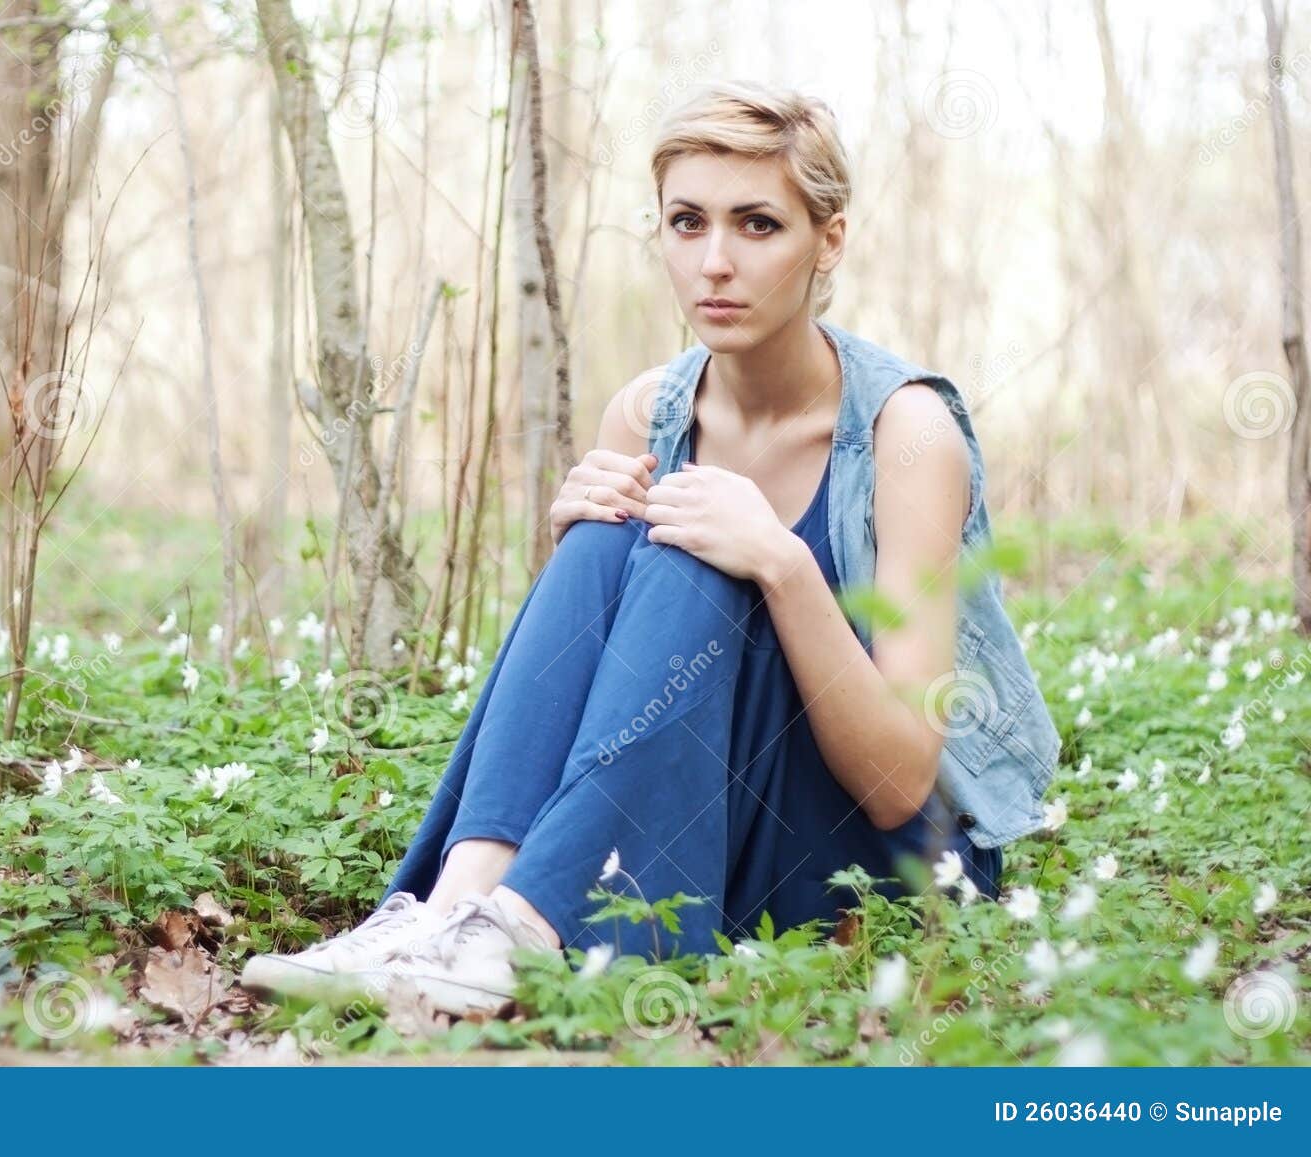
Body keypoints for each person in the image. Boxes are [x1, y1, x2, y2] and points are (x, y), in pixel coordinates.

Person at [241, 80, 1061, 1019]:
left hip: (877, 870)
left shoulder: (907, 434)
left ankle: (518, 932)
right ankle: (456, 917)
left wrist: (783, 564)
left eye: (758, 225)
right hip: (701, 824)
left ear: (827, 241)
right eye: (686, 223)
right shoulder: (647, 413)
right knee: (612, 531)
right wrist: (585, 557)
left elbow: (899, 783)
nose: (716, 262)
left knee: (691, 538)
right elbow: (615, 686)